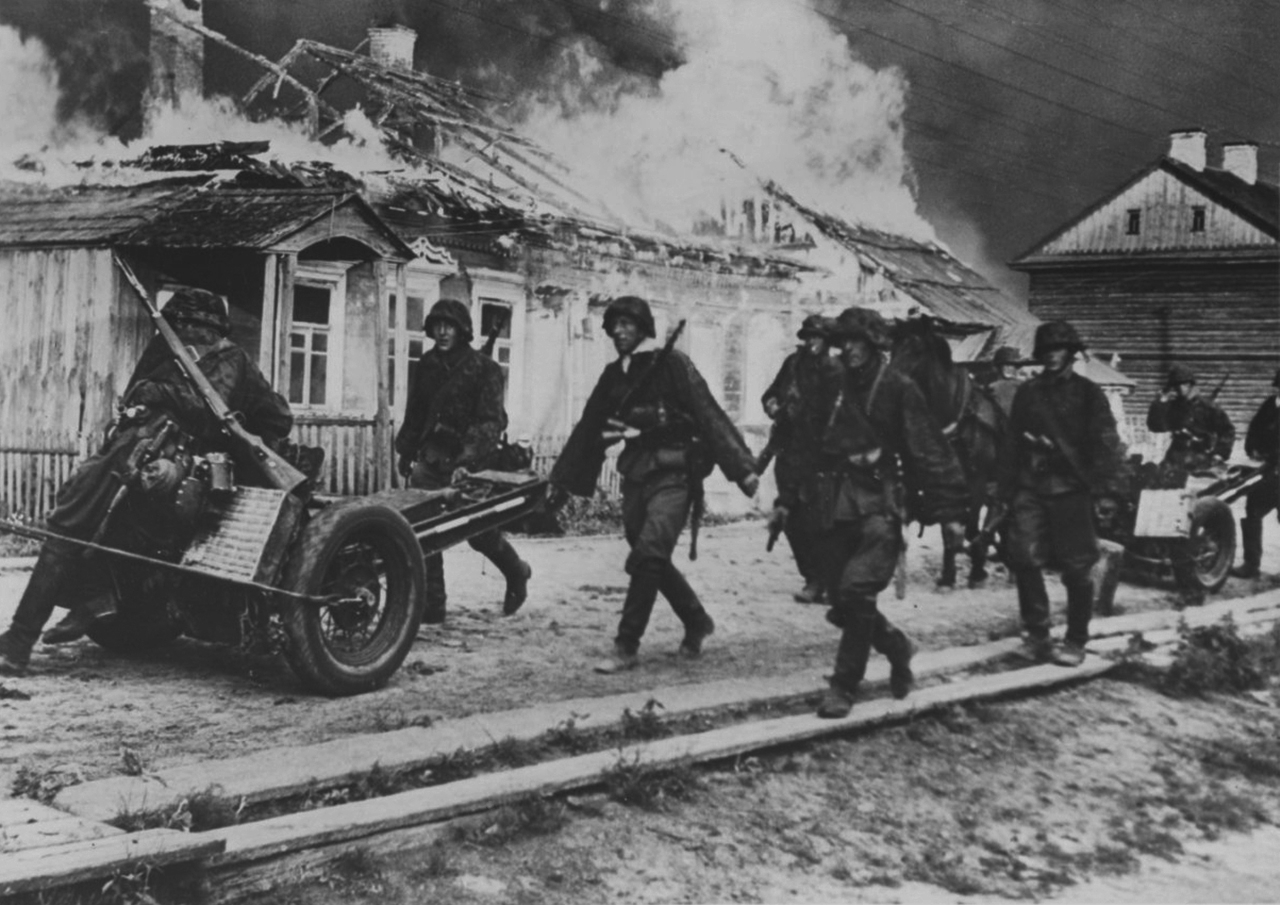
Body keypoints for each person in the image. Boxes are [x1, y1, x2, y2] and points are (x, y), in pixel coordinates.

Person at [0, 287, 293, 677]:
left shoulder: (228, 360)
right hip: (133, 453)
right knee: (72, 530)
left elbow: (233, 417)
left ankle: (32, 635)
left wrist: (236, 443)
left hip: (167, 463)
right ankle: (73, 612)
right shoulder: (177, 354)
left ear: (199, 326)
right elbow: (135, 401)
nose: (183, 334)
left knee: (78, 532)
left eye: (183, 325)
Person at [547, 296, 759, 673]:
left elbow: (707, 412)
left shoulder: (673, 363)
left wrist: (743, 470)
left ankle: (626, 645)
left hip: (675, 474)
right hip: (636, 477)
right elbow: (589, 427)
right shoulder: (614, 374)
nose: (618, 331)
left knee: (648, 553)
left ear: (643, 327)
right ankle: (695, 619)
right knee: (650, 557)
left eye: (627, 324)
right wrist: (560, 482)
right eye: (613, 325)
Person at [778, 306, 969, 719]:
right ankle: (898, 647)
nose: (847, 350)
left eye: (855, 342)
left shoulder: (898, 388)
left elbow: (929, 450)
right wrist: (786, 499)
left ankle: (845, 685)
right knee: (845, 602)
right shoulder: (830, 386)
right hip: (830, 504)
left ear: (874, 345)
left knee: (857, 590)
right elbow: (805, 445)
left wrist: (951, 512)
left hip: (878, 503)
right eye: (842, 342)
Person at [394, 273, 531, 624]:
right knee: (422, 529)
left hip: (471, 463)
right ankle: (432, 604)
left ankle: (517, 572)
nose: (442, 332)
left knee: (479, 533)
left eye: (449, 326)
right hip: (431, 459)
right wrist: (406, 451)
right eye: (437, 325)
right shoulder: (425, 366)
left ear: (462, 331)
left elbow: (490, 422)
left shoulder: (485, 369)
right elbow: (416, 411)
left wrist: (467, 462)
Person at [996, 320, 1124, 667]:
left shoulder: (1088, 393)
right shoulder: (1028, 392)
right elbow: (1010, 441)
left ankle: (1076, 639)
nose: (1052, 356)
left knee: (1077, 568)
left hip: (1071, 489)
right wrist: (1003, 488)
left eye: (1059, 350)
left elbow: (1105, 443)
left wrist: (1106, 491)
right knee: (1022, 557)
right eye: (1047, 351)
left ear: (1070, 353)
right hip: (1031, 486)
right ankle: (1037, 636)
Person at [759, 313, 841, 604]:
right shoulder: (792, 365)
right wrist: (772, 405)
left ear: (828, 341)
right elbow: (770, 393)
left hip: (821, 457)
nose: (812, 343)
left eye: (817, 338)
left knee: (821, 520)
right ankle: (811, 578)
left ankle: (830, 582)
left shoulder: (835, 371)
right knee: (791, 519)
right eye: (808, 337)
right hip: (788, 452)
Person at [1231, 368, 1280, 579]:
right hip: (1269, 469)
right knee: (1253, 510)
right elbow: (1254, 429)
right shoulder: (1270, 405)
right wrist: (1252, 449)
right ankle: (1251, 564)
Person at [1146, 363, 1235, 472]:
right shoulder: (1172, 406)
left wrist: (1220, 453)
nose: (1179, 388)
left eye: (1183, 384)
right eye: (1175, 385)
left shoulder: (1207, 406)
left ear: (1190, 385)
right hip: (1176, 455)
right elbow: (1155, 426)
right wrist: (1160, 403)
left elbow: (1227, 430)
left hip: (1202, 455)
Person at [986, 345, 1024, 418]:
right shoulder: (992, 387)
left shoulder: (1022, 385)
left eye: (1011, 365)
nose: (1008, 368)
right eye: (1005, 365)